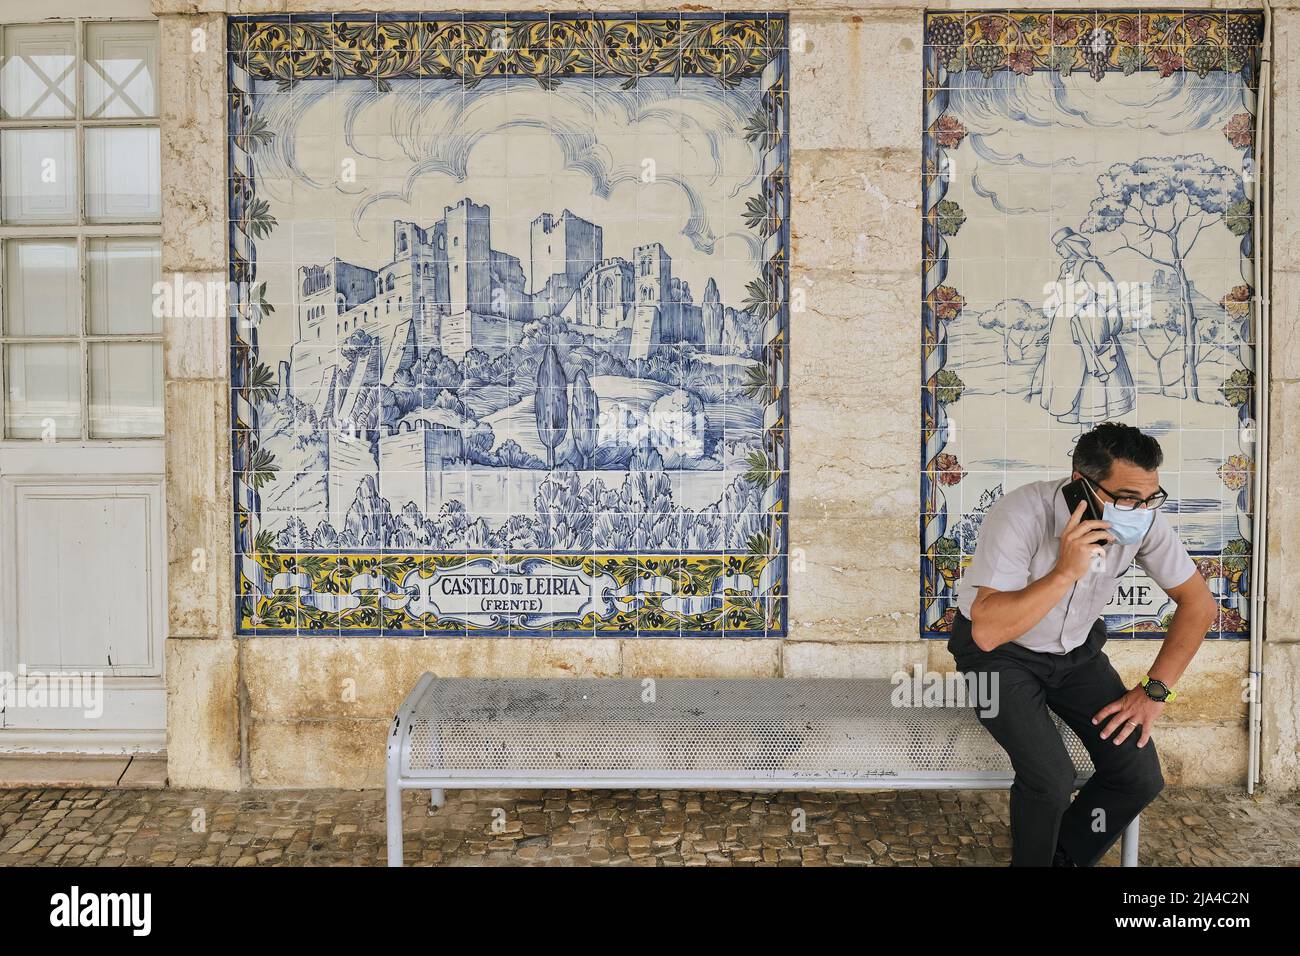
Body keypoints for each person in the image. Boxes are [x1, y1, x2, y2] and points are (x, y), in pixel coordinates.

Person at [949, 422, 1218, 866]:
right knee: (1051, 779)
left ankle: (1063, 858)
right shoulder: (1020, 514)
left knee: (1137, 776)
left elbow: (1199, 604)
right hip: (997, 657)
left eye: (1150, 498)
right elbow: (988, 631)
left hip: (1076, 654)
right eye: (1127, 497)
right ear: (1081, 484)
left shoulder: (1144, 520)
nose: (1140, 510)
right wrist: (1064, 572)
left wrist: (1154, 691)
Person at [1028, 226, 1134, 423]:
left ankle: (1092, 425)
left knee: (1089, 374)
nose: (1058, 250)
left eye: (1060, 246)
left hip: (1086, 326)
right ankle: (1075, 419)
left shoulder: (1089, 267)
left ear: (1070, 245)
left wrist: (1094, 318)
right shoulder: (1065, 268)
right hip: (1063, 328)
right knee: (1065, 374)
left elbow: (1109, 294)